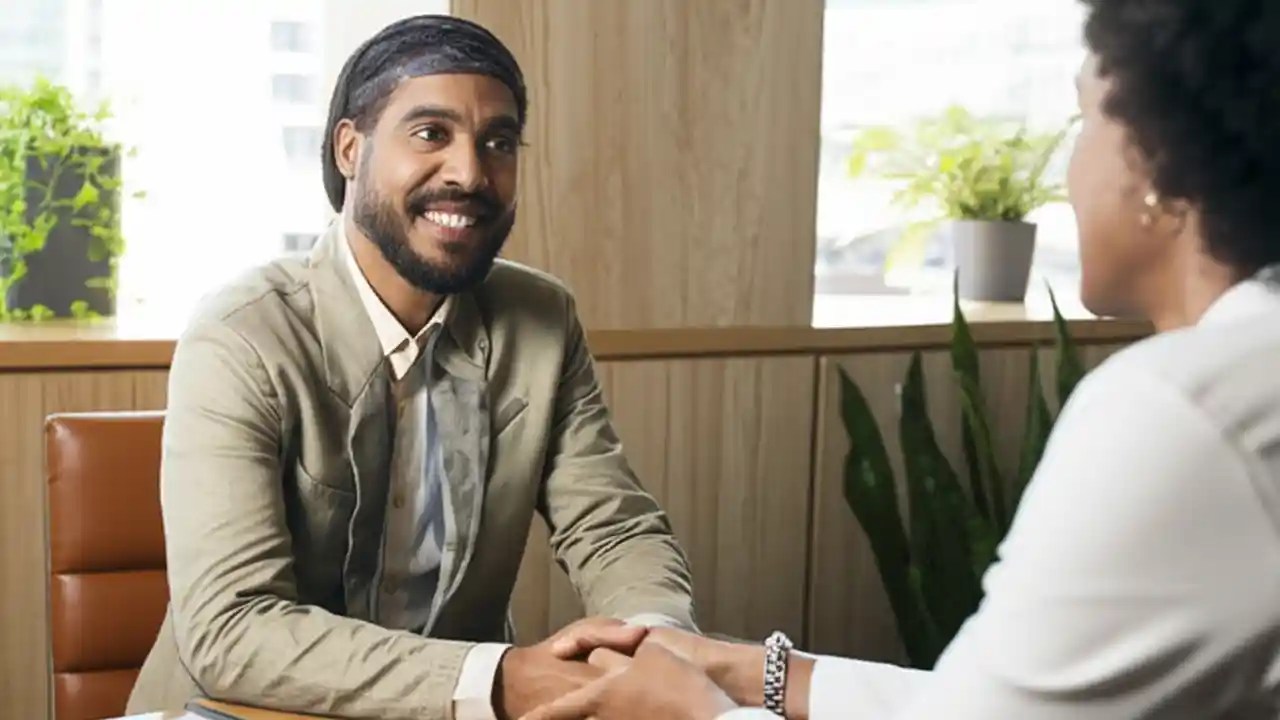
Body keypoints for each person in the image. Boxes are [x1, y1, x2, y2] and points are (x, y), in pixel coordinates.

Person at [523, 0, 1280, 717]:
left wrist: (691, 711)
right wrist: (745, 671)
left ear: (1159, 163)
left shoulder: (1178, 410)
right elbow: (989, 705)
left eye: (1084, 124)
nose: (1066, 177)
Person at [125, 15, 698, 720]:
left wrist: (652, 643)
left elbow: (612, 529)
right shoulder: (243, 335)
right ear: (348, 148)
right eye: (431, 134)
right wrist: (502, 679)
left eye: (498, 142)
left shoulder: (542, 319)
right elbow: (233, 630)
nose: (469, 172)